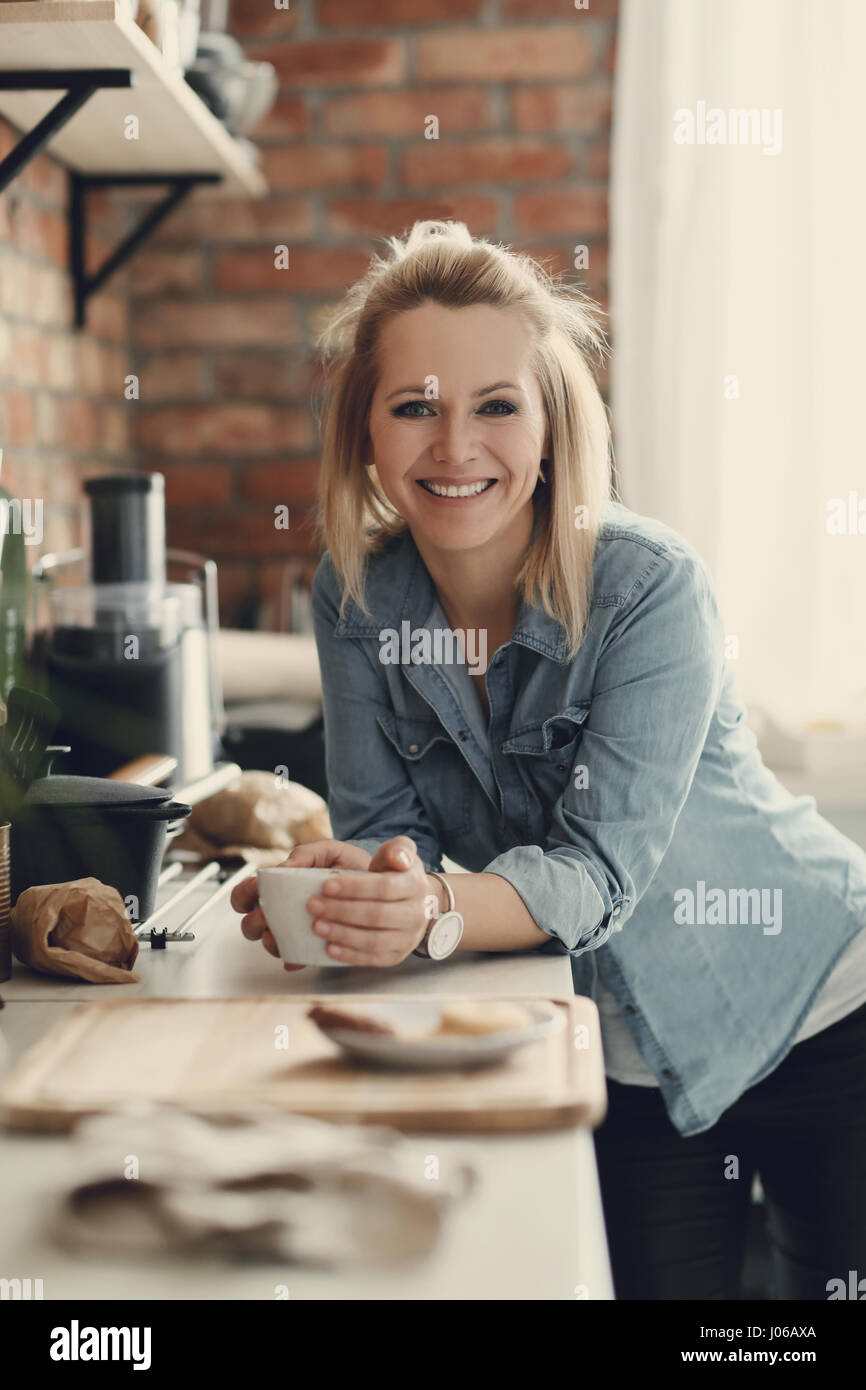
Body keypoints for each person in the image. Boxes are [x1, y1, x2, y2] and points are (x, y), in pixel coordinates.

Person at [231, 220, 866, 1300]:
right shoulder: (349, 599)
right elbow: (393, 832)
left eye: (494, 405)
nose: (454, 446)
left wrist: (424, 909)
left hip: (817, 1007)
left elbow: (596, 871)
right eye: (414, 406)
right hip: (608, 1054)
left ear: (548, 418)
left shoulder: (646, 587)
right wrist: (353, 896)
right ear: (365, 431)